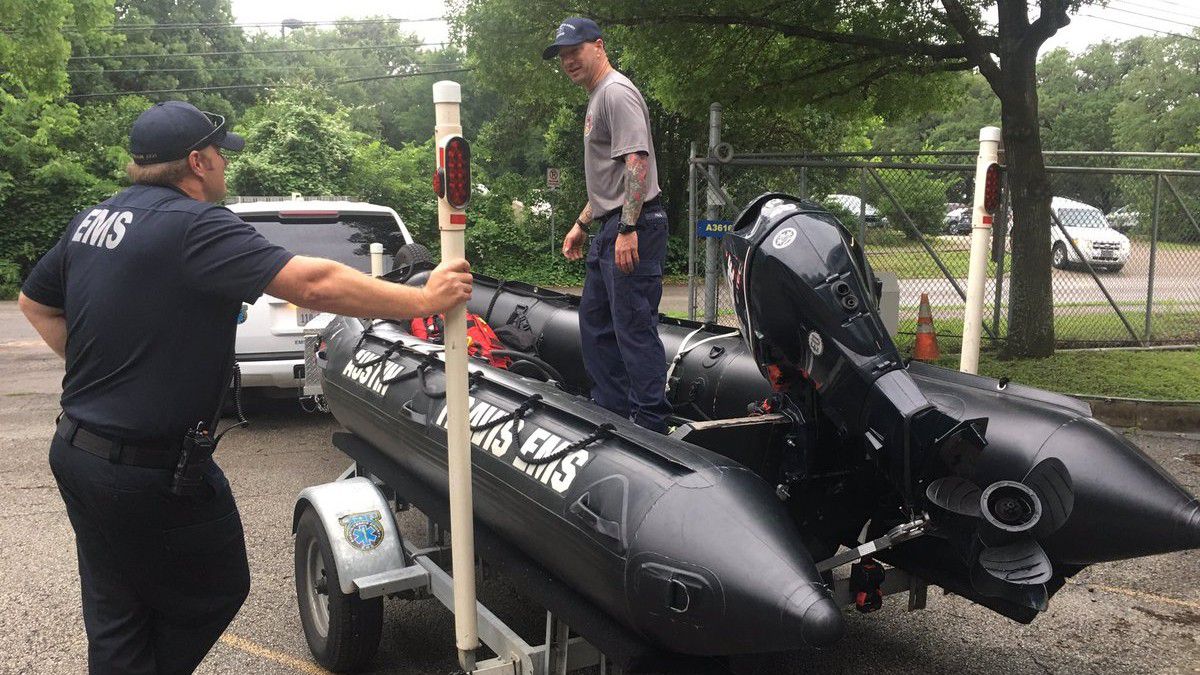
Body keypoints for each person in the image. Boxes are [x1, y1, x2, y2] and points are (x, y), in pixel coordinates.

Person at [17, 100, 472, 674]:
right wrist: (424, 300)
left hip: (78, 450)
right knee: (217, 585)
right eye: (219, 157)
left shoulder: (93, 219)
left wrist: (103, 370)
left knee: (118, 611)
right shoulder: (195, 225)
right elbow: (314, 281)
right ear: (197, 161)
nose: (224, 168)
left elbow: (34, 302)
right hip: (151, 471)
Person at [545, 17, 672, 433]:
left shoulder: (615, 92)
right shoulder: (598, 96)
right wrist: (582, 223)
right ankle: (613, 412)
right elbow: (612, 176)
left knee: (633, 328)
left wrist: (628, 228)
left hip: (634, 225)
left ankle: (651, 425)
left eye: (574, 51)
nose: (568, 61)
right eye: (562, 56)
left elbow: (637, 162)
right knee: (596, 323)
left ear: (598, 46)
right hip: (611, 225)